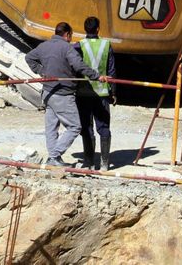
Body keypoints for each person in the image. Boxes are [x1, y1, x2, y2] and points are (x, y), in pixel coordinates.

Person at [25, 22, 99, 167]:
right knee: (74, 127)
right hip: (62, 94)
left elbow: (29, 58)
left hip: (47, 93)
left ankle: (54, 160)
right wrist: (96, 76)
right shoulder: (67, 48)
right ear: (67, 35)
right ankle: (54, 155)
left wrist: (41, 71)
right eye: (70, 36)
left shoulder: (44, 46)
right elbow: (78, 65)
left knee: (51, 128)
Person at [74, 16, 117, 171]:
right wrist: (113, 91)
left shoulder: (79, 45)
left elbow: (74, 67)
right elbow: (111, 70)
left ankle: (89, 162)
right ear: (98, 29)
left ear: (85, 29)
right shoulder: (106, 45)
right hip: (102, 92)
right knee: (103, 126)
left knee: (86, 127)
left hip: (83, 93)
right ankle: (105, 163)